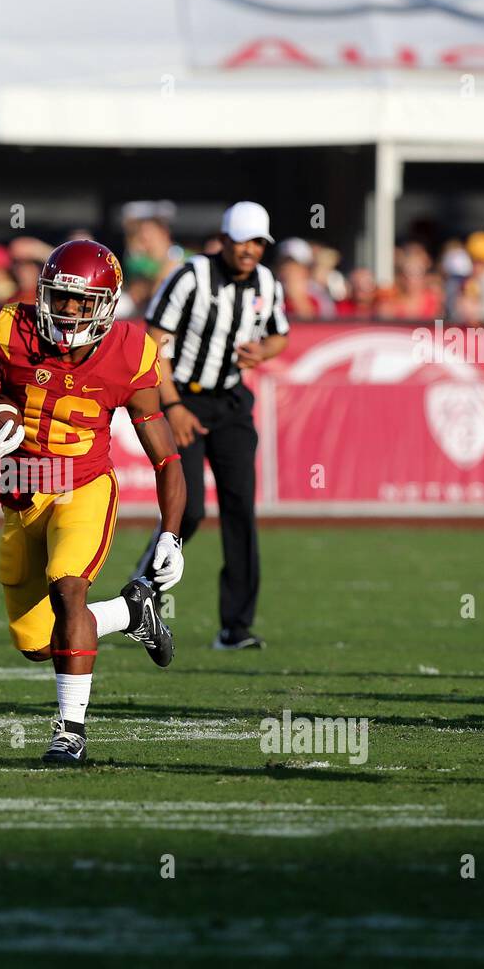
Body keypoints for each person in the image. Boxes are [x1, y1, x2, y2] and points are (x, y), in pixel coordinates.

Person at [0, 240, 185, 765]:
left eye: (80, 302)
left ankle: (69, 732)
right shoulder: (11, 331)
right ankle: (129, 611)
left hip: (85, 487)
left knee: (68, 586)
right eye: (59, 298)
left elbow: (165, 457)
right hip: (22, 490)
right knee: (35, 643)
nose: (67, 312)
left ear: (107, 304)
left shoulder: (131, 353)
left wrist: (171, 533)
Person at [138, 201, 289, 651]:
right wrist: (174, 405)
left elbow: (280, 332)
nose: (249, 250)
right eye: (242, 240)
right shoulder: (190, 277)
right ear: (223, 239)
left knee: (241, 509)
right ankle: (142, 594)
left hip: (231, 402)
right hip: (183, 396)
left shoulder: (266, 282)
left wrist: (264, 352)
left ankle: (235, 627)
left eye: (258, 241)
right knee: (191, 511)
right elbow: (155, 342)